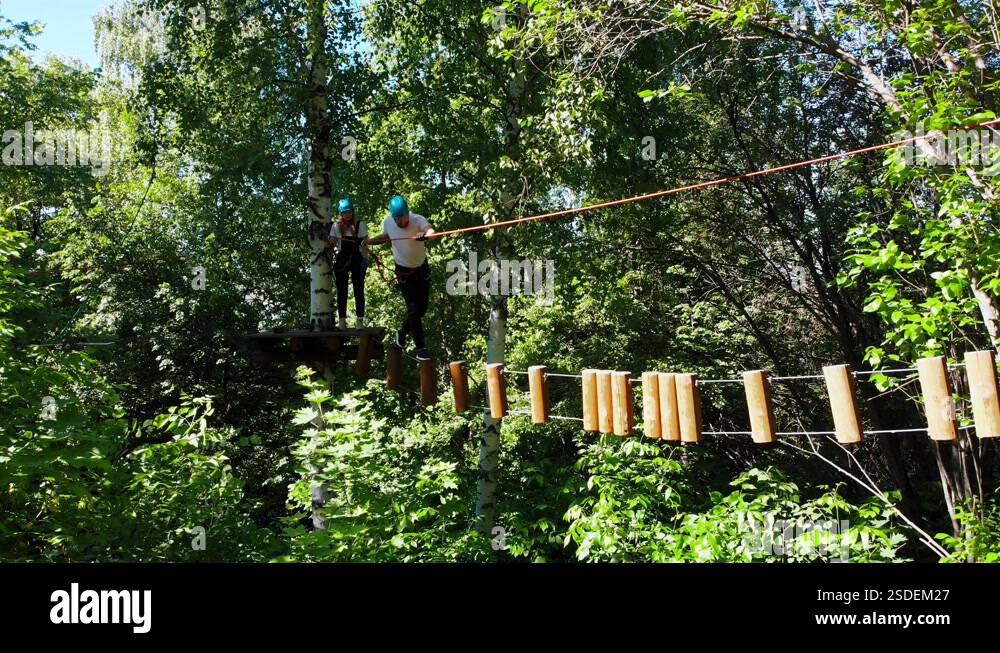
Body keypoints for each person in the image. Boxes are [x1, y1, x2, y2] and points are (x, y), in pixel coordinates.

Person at [367, 195, 435, 359]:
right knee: (413, 309)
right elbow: (385, 236)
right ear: (393, 217)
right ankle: (421, 349)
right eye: (399, 219)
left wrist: (426, 235)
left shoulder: (417, 219)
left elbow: (432, 232)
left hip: (421, 269)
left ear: (407, 214)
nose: (402, 222)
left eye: (404, 218)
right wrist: (369, 241)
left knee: (421, 310)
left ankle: (402, 333)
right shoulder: (388, 222)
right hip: (404, 272)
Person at [327, 198, 369, 329]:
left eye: (349, 211)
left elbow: (366, 243)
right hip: (342, 259)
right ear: (341, 213)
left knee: (358, 290)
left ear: (352, 211)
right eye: (345, 212)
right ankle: (342, 320)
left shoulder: (359, 224)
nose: (347, 214)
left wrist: (365, 259)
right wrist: (328, 239)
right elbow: (333, 242)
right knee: (342, 291)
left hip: (357, 258)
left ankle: (360, 320)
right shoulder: (336, 226)